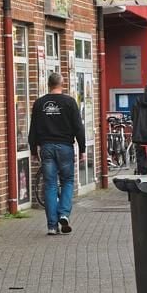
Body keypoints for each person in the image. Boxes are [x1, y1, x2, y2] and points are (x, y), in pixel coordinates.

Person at [28, 73, 85, 236]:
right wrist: (82, 149)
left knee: (50, 185)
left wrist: (33, 150)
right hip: (65, 147)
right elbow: (78, 128)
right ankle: (64, 214)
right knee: (67, 181)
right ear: (62, 84)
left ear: (48, 84)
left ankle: (52, 226)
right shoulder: (69, 102)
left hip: (46, 148)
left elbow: (33, 129)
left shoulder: (39, 103)